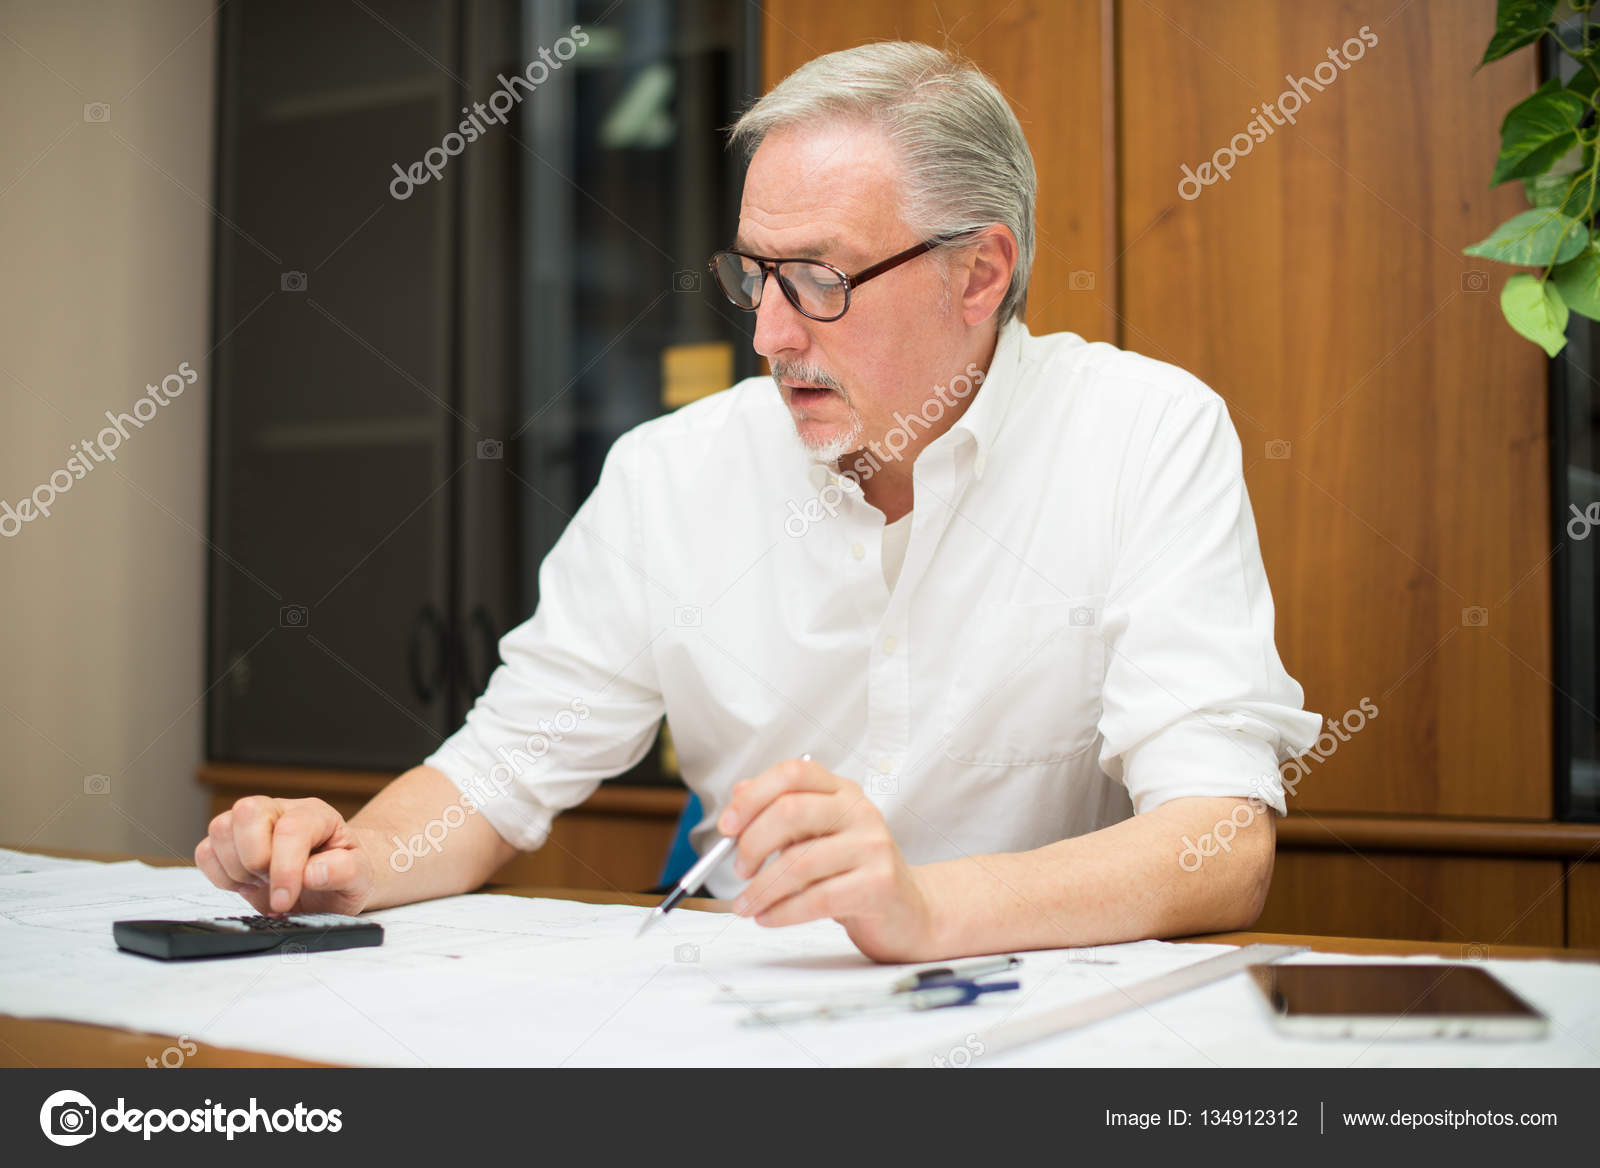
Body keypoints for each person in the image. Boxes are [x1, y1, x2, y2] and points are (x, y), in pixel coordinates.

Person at [196, 41, 1319, 962]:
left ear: (979, 273)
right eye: (754, 275)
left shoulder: (1141, 434)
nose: (771, 335)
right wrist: (342, 860)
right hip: (744, 1013)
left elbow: (1219, 842)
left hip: (1031, 1025)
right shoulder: (670, 473)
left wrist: (921, 911)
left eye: (820, 279)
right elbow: (494, 776)